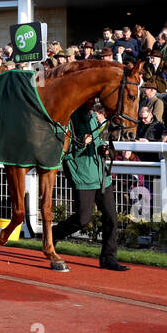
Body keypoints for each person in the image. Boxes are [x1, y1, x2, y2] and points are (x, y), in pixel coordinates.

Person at [50, 104, 128, 271]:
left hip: (102, 177)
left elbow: (98, 140)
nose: (92, 103)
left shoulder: (93, 118)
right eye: (90, 99)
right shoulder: (68, 120)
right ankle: (54, 234)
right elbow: (62, 152)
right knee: (83, 219)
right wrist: (81, 144)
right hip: (83, 177)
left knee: (111, 219)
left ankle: (108, 258)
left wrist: (104, 149)